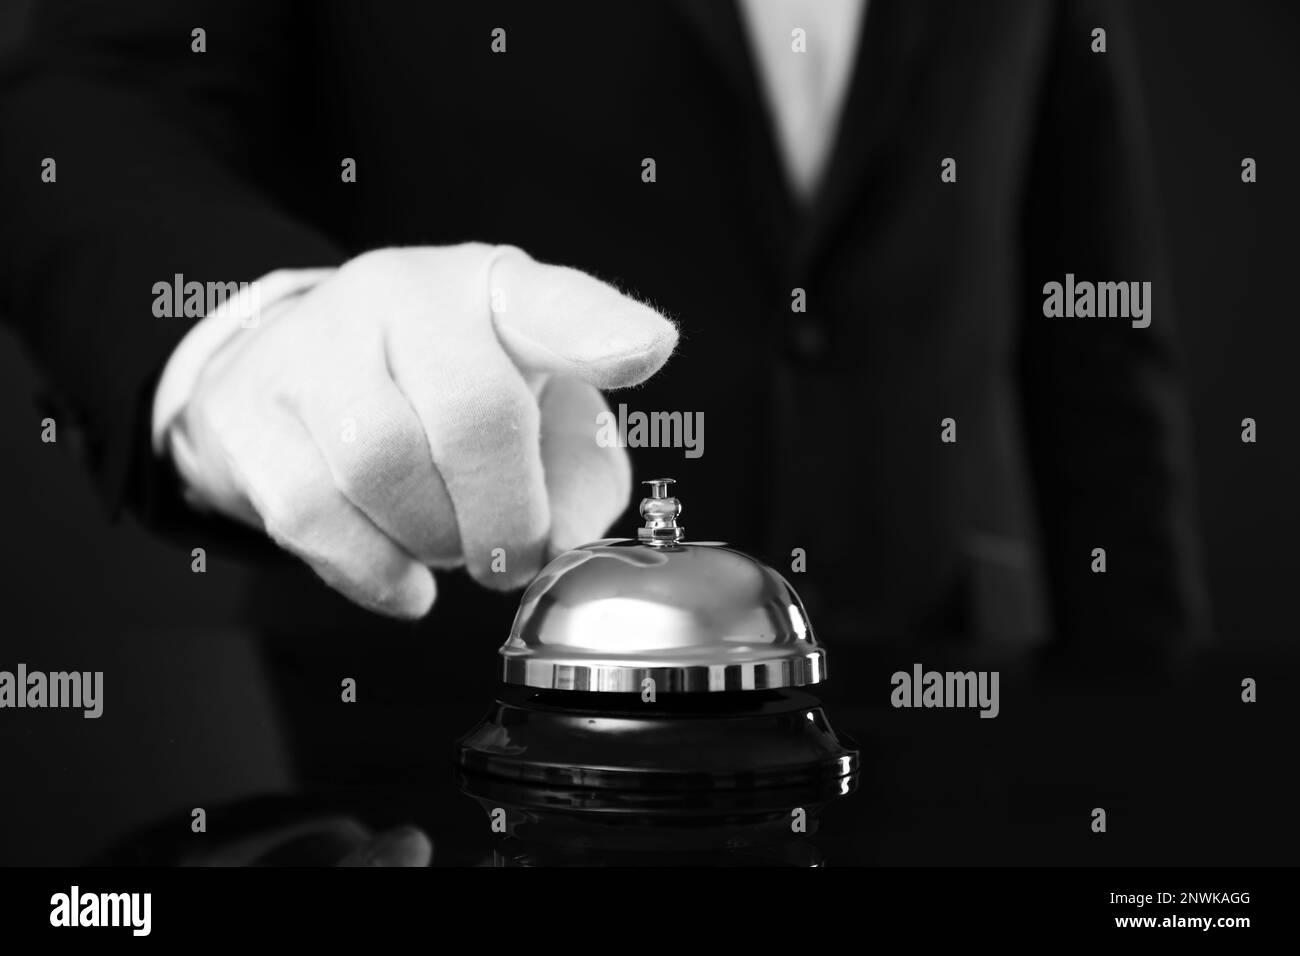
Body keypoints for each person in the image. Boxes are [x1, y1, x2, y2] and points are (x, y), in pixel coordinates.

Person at [0, 0, 1207, 779]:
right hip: (452, 734)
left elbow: (1094, 327)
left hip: (933, 709)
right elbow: (93, 98)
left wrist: (1153, 753)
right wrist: (253, 336)